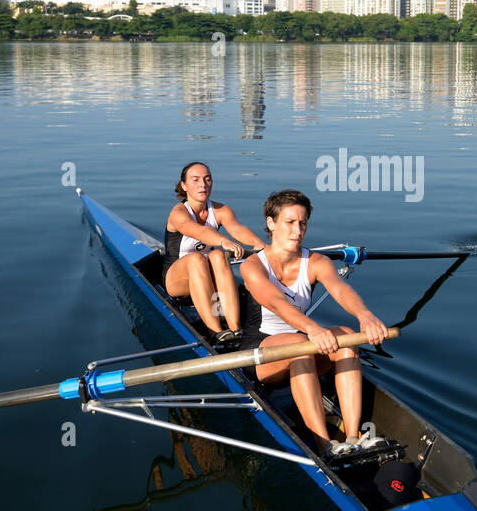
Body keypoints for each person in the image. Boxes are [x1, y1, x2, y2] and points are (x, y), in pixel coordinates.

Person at [241, 189, 389, 457]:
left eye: (302, 223)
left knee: (345, 337)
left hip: (300, 345)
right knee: (302, 345)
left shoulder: (316, 262)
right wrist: (312, 329)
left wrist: (365, 316)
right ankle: (326, 446)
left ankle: (353, 438)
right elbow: (277, 303)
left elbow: (340, 290)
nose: (297, 231)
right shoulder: (253, 266)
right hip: (260, 355)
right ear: (271, 223)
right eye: (289, 222)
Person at [164, 162, 267, 350]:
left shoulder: (221, 210)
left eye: (207, 179)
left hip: (205, 276)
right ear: (184, 186)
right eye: (195, 180)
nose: (202, 184)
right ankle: (215, 332)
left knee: (219, 256)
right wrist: (222, 241)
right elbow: (200, 232)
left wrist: (259, 244)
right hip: (176, 280)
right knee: (198, 258)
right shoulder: (178, 213)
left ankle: (235, 330)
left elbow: (237, 229)